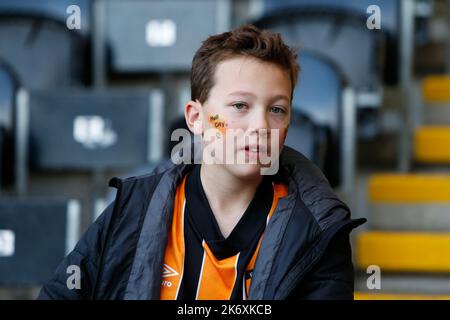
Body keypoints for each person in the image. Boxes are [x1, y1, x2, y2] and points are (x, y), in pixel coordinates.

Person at [38, 24, 365, 300]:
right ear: (196, 118)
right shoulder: (134, 207)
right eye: (240, 106)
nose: (260, 126)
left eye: (276, 109)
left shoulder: (318, 229)